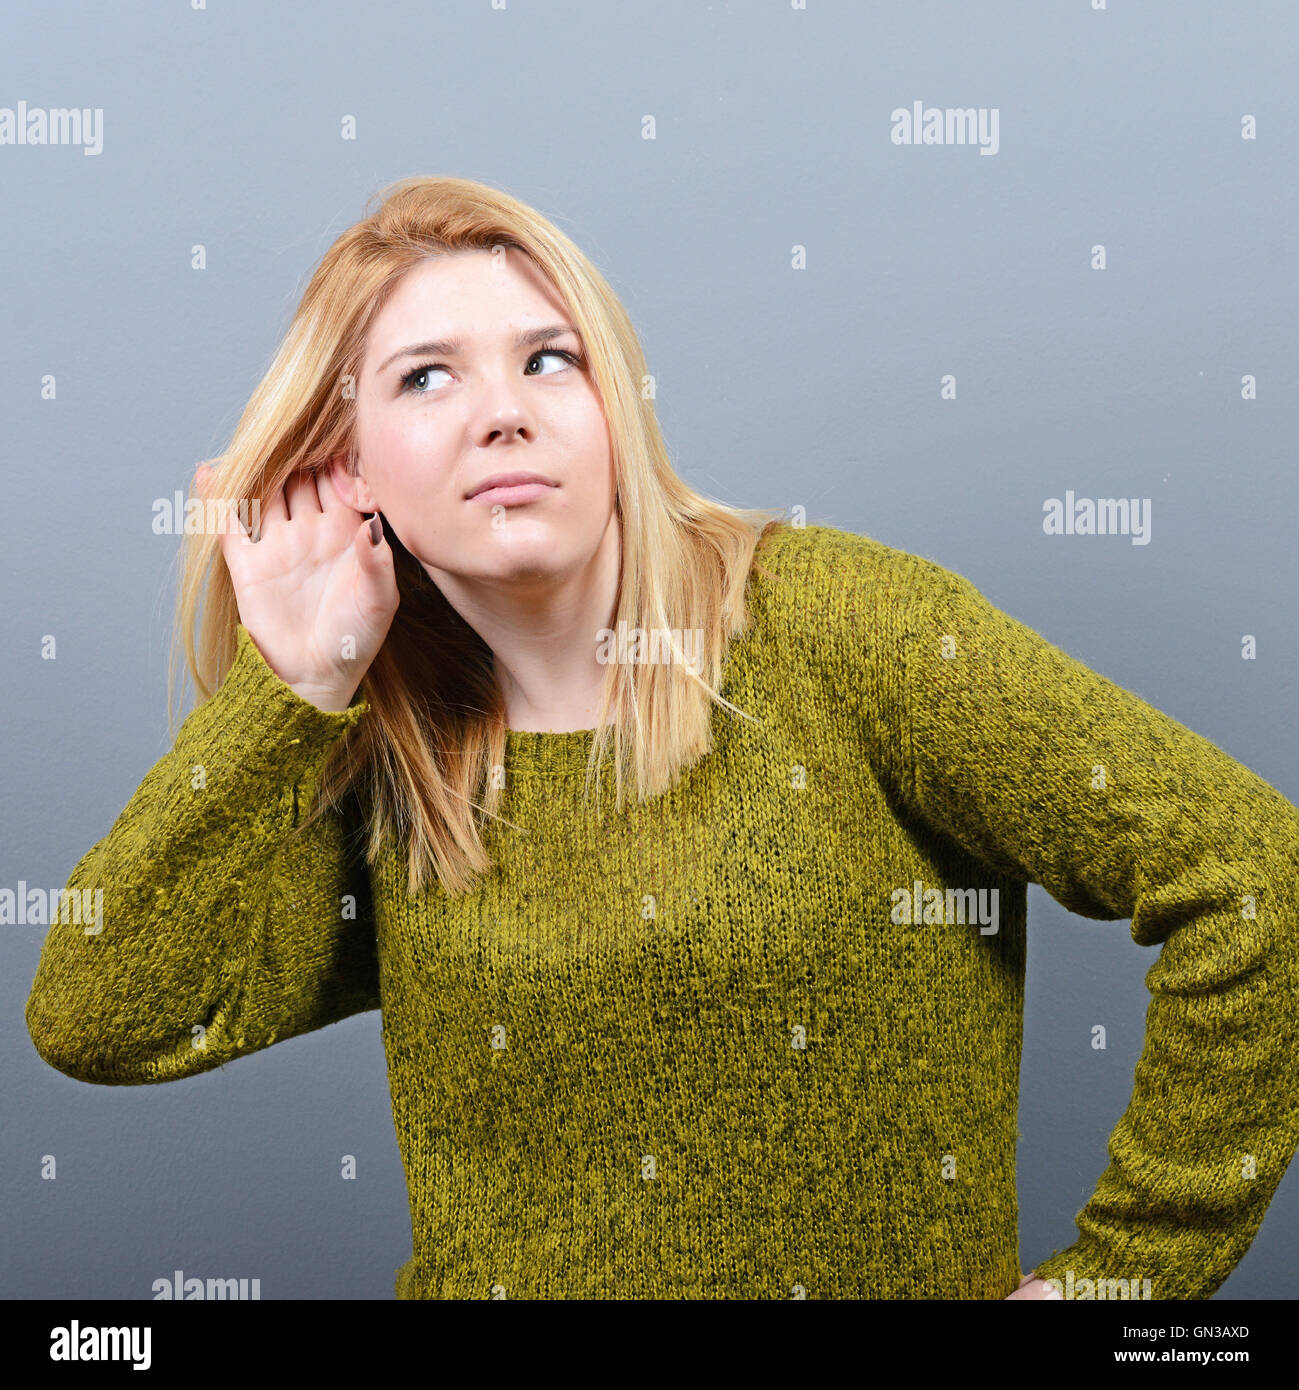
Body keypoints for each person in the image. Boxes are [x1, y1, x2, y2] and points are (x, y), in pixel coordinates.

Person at [26, 176, 1299, 1300]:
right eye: (426, 376)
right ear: (344, 460)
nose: (503, 413)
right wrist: (290, 686)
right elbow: (98, 1012)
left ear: (613, 403)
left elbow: (1257, 876)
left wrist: (1123, 1283)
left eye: (550, 358)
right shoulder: (385, 749)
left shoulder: (838, 628)